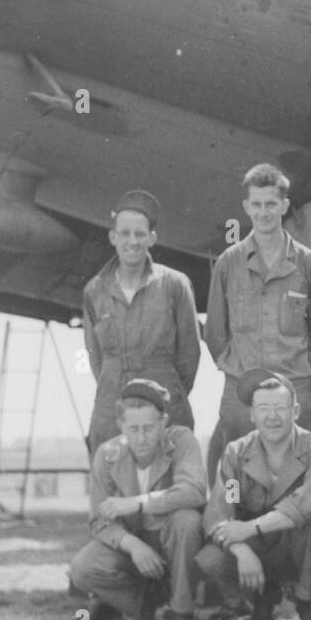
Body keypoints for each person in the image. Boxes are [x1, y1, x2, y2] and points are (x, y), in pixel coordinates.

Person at [204, 164, 311, 483]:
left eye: (271, 204)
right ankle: (235, 528)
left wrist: (304, 364)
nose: (264, 212)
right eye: (257, 205)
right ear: (247, 207)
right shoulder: (229, 264)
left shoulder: (307, 263)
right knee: (235, 478)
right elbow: (215, 332)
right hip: (241, 390)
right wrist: (234, 368)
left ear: (284, 206)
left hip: (296, 390)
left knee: (302, 478)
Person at [195, 370, 311, 620]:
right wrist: (241, 549)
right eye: (263, 408)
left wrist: (249, 529)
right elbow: (224, 509)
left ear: (295, 411)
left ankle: (307, 603)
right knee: (212, 558)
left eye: (280, 408)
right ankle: (261, 602)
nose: (272, 417)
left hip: (296, 542)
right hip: (258, 548)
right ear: (252, 414)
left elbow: (308, 504)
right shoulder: (237, 453)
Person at [69, 380, 207, 620]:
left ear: (163, 422)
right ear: (121, 427)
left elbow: (195, 491)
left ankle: (181, 612)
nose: (142, 438)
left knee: (187, 520)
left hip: (173, 541)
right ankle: (145, 606)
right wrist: (133, 545)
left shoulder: (183, 440)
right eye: (134, 429)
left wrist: (139, 502)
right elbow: (99, 520)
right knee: (82, 568)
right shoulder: (107, 454)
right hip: (134, 543)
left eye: (149, 428)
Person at [82, 189, 201, 456]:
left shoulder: (174, 285)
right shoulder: (95, 291)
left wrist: (171, 390)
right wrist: (112, 384)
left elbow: (190, 354)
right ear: (113, 237)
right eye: (124, 234)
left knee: (169, 484)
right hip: (111, 402)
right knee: (110, 479)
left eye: (139, 234)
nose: (132, 242)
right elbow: (96, 357)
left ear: (152, 238)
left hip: (165, 399)